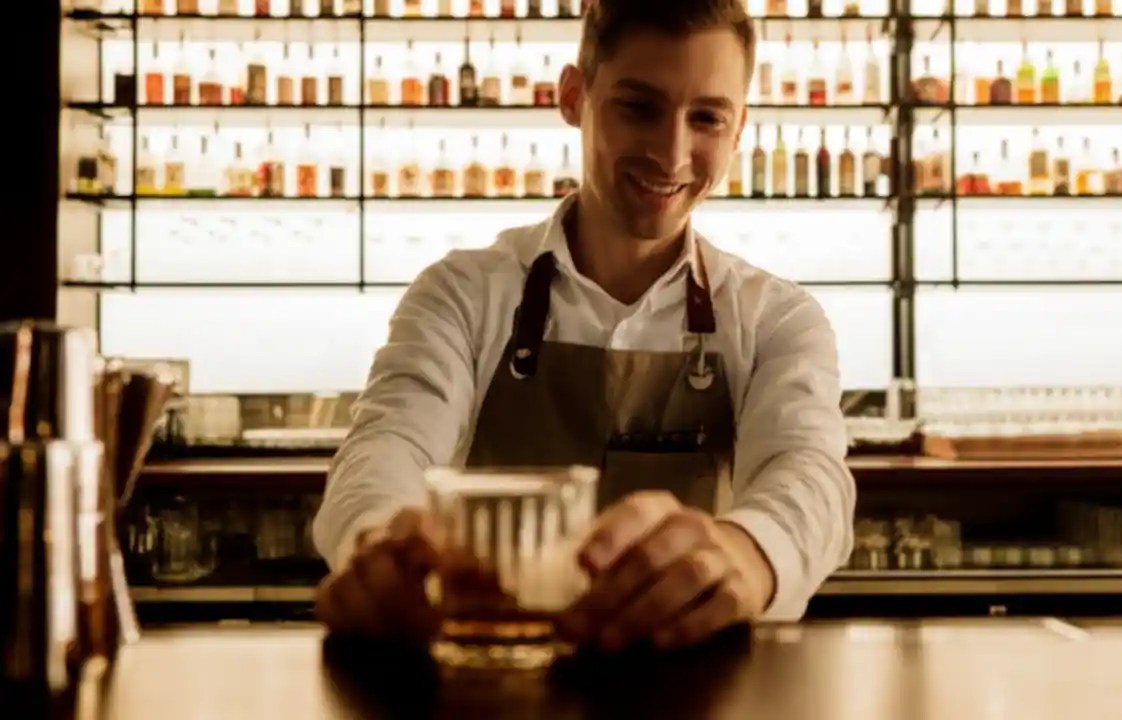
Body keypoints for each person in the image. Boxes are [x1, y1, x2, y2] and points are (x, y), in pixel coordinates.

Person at [311, 0, 856, 653]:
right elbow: (386, 447)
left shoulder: (777, 319)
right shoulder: (462, 294)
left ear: (739, 130)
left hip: (691, 679)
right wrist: (381, 543)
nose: (672, 152)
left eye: (706, 117)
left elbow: (810, 477)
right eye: (639, 107)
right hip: (493, 665)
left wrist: (747, 554)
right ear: (574, 96)